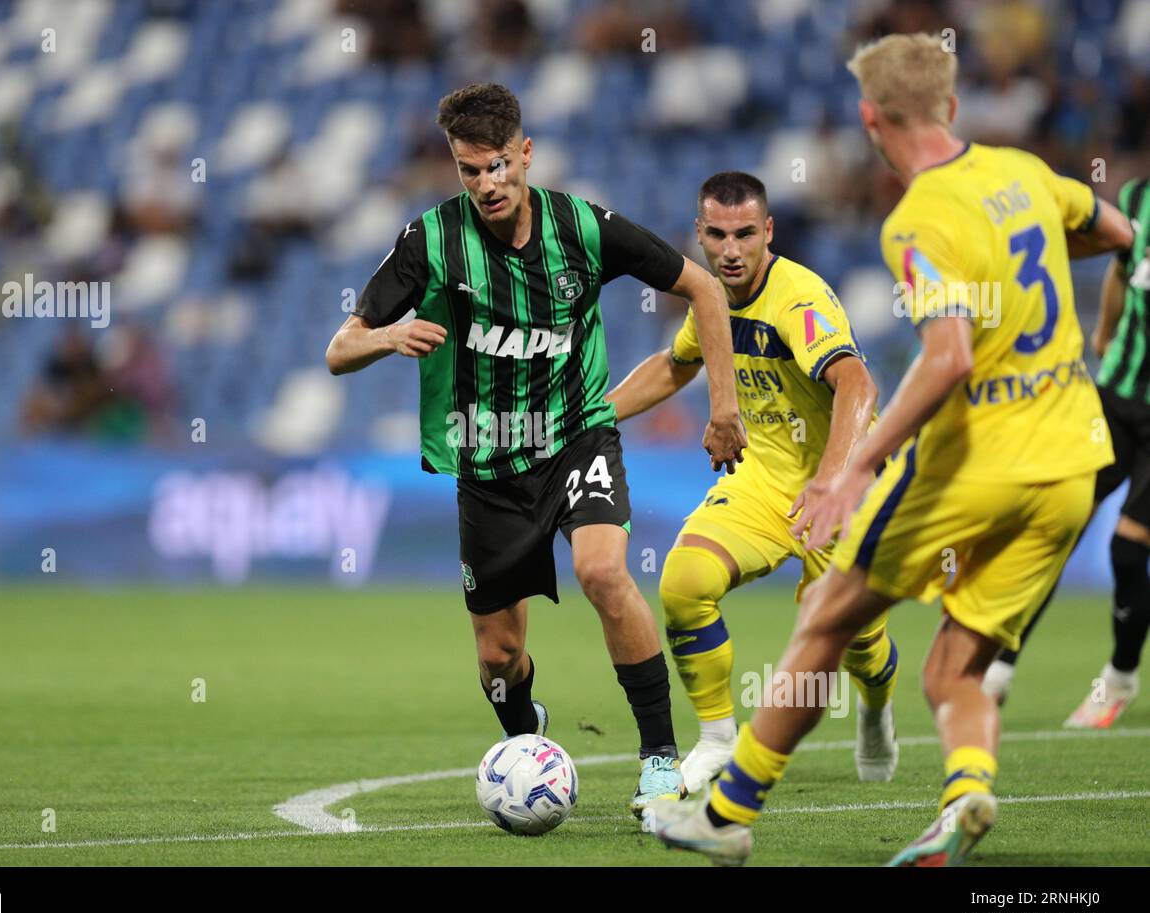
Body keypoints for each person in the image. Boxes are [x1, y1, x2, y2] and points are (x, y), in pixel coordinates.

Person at [648, 32, 1132, 866]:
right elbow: (1120, 231)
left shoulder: (918, 219)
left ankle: (726, 816)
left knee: (826, 620)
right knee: (954, 669)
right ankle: (965, 792)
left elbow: (946, 359)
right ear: (950, 106)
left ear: (871, 120)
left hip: (981, 463)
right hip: (1073, 468)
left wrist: (858, 466)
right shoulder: (1024, 175)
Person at [326, 83, 746, 816]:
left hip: (576, 435)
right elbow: (340, 349)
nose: (486, 184)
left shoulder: (583, 228)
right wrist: (389, 336)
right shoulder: (431, 240)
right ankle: (526, 742)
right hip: (487, 464)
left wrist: (723, 407)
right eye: (469, 170)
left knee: (604, 573)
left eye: (497, 167)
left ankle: (658, 761)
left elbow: (704, 291)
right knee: (498, 656)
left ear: (525, 155)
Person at [606, 171, 899, 794]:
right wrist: (593, 415)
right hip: (764, 477)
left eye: (745, 234)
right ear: (699, 235)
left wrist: (828, 484)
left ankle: (875, 707)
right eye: (717, 235)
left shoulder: (799, 299)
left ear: (768, 232)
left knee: (857, 644)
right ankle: (716, 742)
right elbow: (673, 365)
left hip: (843, 481)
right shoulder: (710, 298)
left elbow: (858, 384)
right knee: (685, 583)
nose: (731, 250)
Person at [983, 173, 1150, 728]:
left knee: (1128, 550)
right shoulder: (1135, 200)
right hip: (1118, 396)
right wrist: (1103, 337)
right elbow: (1121, 273)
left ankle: (1122, 675)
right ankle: (1001, 664)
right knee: (1059, 521)